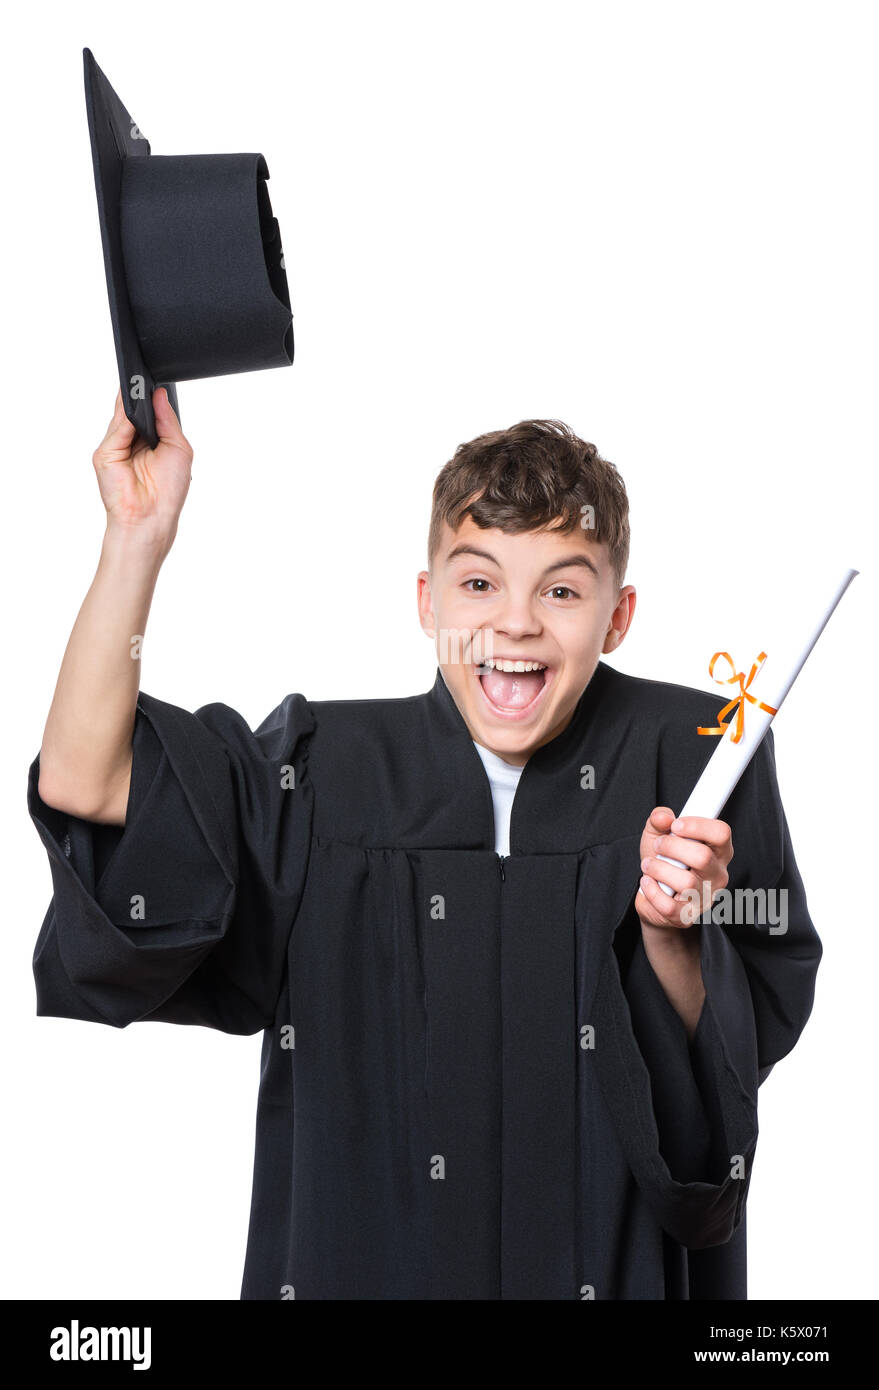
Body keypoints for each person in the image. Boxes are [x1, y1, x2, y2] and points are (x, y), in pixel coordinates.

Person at [28, 387, 821, 1300]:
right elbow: (82, 782)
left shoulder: (696, 763)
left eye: (561, 589)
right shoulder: (322, 770)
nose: (515, 623)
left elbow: (732, 1062)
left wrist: (672, 939)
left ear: (618, 614)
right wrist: (135, 537)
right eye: (478, 582)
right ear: (425, 598)